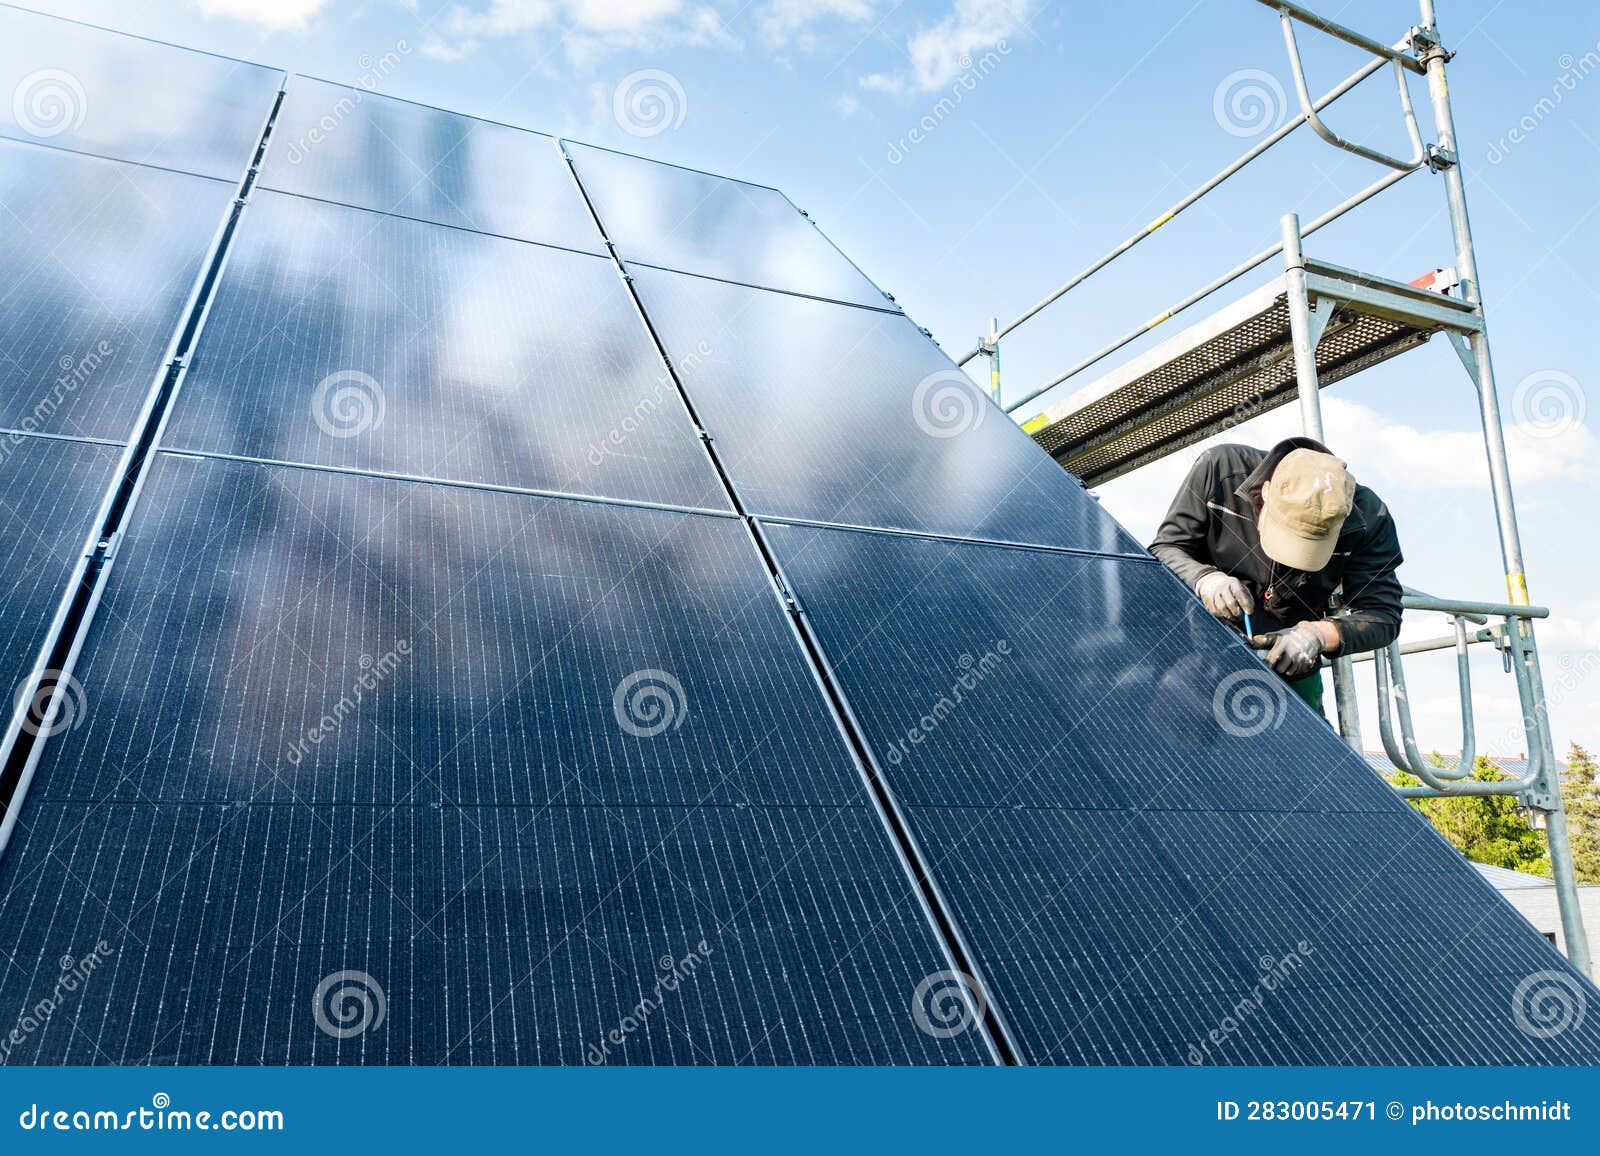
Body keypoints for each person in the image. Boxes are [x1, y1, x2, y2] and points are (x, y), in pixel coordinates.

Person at [1149, 437, 1403, 713]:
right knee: (1171, 736)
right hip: (1198, 647)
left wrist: (1318, 634)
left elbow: (1383, 615)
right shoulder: (1220, 469)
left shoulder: (1370, 518)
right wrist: (1204, 578)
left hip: (1287, 662)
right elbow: (1166, 547)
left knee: (1307, 749)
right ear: (1266, 491)